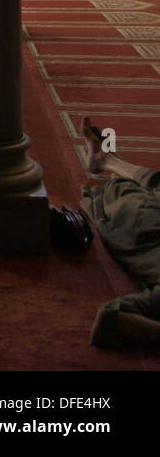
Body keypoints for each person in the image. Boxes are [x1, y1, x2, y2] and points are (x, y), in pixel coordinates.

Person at [80, 117, 160, 347]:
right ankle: (107, 160)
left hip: (143, 225)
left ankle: (107, 160)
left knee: (128, 193)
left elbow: (109, 318)